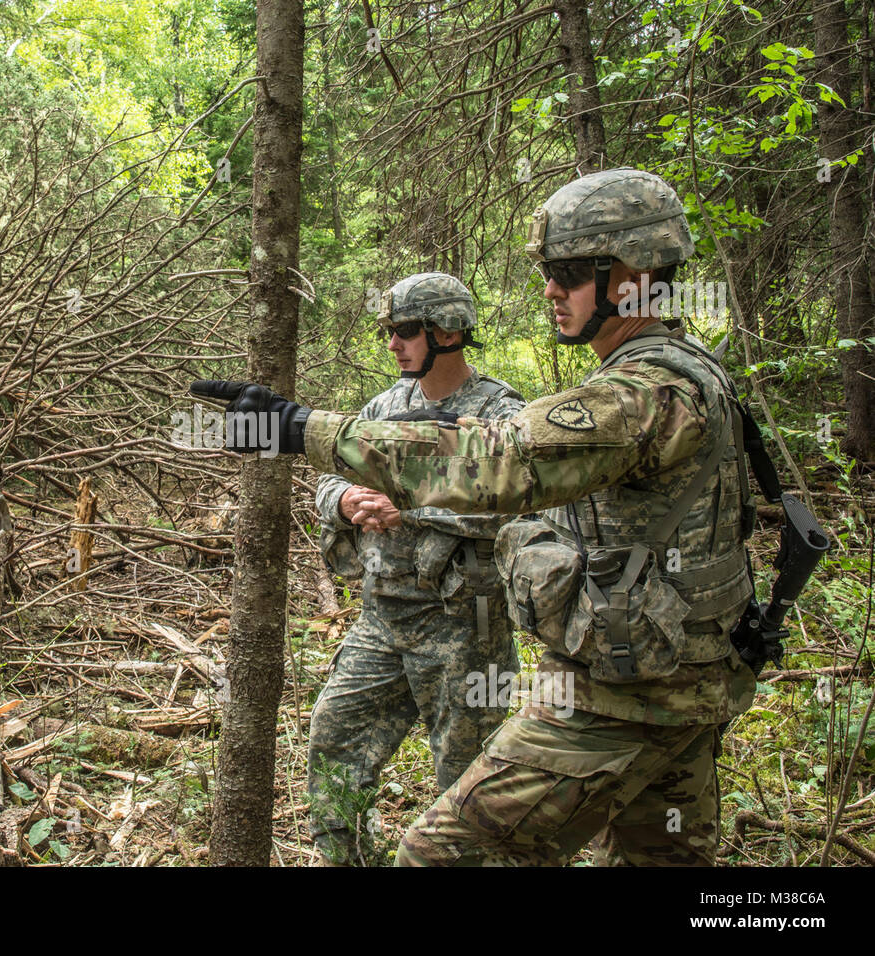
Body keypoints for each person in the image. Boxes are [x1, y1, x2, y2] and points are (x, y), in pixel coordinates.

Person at [192, 167, 758, 865]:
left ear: (634, 275)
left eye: (572, 271)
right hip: (666, 678)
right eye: (550, 270)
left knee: (441, 854)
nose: (551, 288)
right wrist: (340, 493)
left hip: (624, 695)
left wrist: (301, 427)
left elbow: (505, 460)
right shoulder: (682, 370)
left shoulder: (650, 391)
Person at [309, 273, 525, 865]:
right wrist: (347, 502)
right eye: (389, 332)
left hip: (464, 626)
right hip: (381, 620)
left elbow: (520, 508)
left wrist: (410, 506)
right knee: (333, 742)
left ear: (449, 331)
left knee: (467, 782)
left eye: (406, 330)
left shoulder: (501, 414)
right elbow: (331, 475)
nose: (393, 344)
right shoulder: (384, 406)